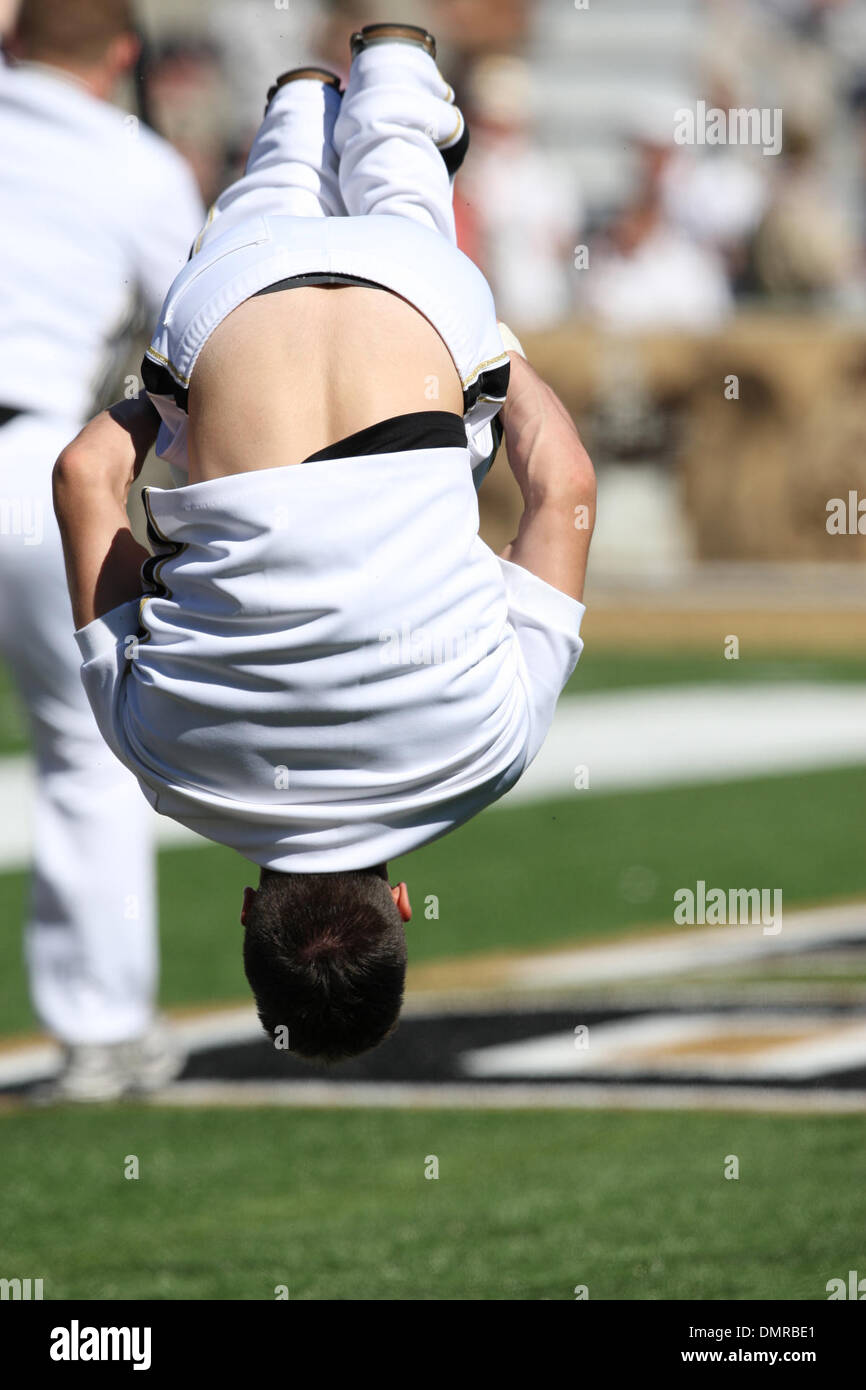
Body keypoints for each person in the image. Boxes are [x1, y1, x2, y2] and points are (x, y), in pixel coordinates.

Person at [53, 23, 595, 1066]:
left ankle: (390, 76)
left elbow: (562, 484)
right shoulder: (162, 763)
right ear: (245, 911)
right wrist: (166, 406)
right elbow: (84, 480)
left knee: (403, 211)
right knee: (262, 214)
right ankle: (295, 112)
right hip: (229, 314)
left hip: (420, 313)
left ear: (401, 899)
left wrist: (489, 361)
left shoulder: (491, 755)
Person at [0, 0, 203, 1100]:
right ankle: (102, 1032)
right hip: (33, 462)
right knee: (87, 748)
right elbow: (205, 323)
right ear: (123, 54)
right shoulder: (137, 163)